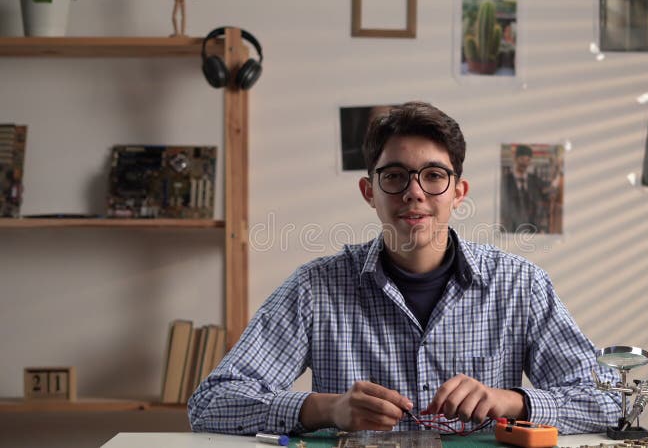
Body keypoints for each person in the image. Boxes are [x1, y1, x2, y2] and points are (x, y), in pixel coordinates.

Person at [188, 101, 622, 435]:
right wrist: (327, 409)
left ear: (458, 191)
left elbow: (608, 402)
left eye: (433, 175)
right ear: (369, 191)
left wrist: (509, 402)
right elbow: (211, 404)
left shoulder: (520, 285)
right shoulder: (314, 287)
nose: (414, 193)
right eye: (395, 176)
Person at [500, 145, 551, 233]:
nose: (525, 163)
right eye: (522, 159)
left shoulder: (535, 179)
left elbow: (549, 193)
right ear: (515, 159)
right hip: (511, 229)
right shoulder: (505, 181)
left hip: (533, 228)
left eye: (528, 160)